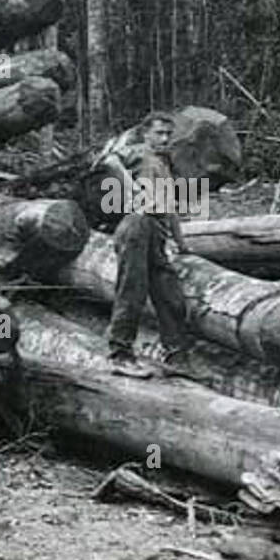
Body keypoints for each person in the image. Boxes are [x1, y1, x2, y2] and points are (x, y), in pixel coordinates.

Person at [101, 112, 192, 377]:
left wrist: (182, 243)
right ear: (146, 133)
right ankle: (120, 354)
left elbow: (171, 208)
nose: (164, 138)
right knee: (133, 289)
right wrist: (132, 188)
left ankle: (175, 357)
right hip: (137, 226)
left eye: (167, 134)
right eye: (159, 133)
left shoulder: (165, 165)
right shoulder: (138, 152)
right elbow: (109, 159)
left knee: (170, 294)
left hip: (157, 232)